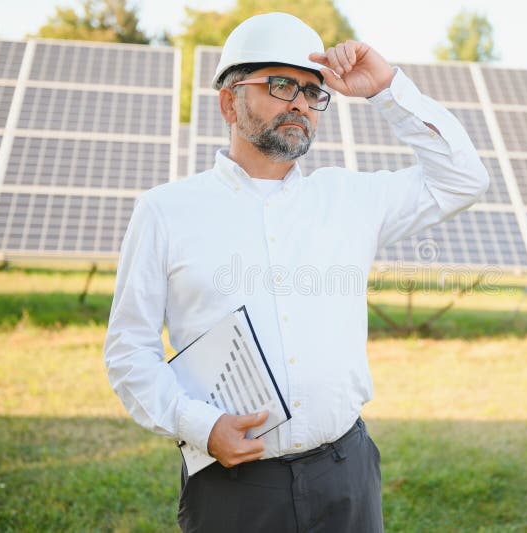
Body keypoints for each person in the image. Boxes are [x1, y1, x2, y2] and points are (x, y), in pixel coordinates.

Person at [103, 11, 488, 533]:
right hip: (232, 489)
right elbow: (129, 349)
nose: (300, 103)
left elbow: (463, 179)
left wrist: (387, 88)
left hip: (345, 475)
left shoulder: (352, 198)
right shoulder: (165, 211)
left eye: (312, 92)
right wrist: (202, 425)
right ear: (229, 101)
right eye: (281, 85)